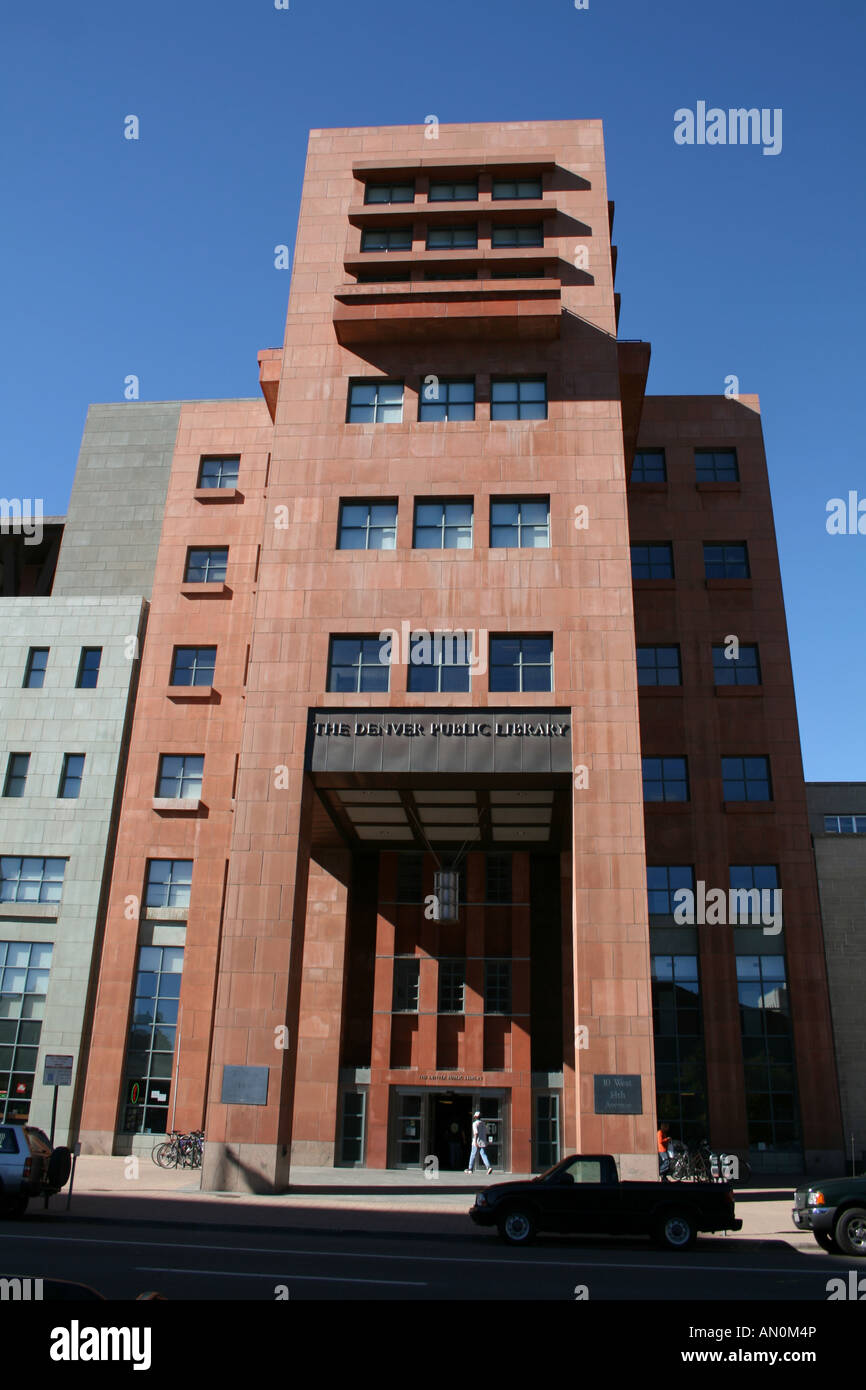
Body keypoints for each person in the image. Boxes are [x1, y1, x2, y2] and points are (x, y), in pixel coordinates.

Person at [466, 1111, 494, 1175]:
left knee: (473, 1154)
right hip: (483, 1141)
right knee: (483, 1154)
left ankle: (470, 1169)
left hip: (476, 1141)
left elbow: (476, 1133)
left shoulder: (475, 1123)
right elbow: (486, 1132)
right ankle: (489, 1167)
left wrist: (475, 1142)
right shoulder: (483, 1124)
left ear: (476, 1117)